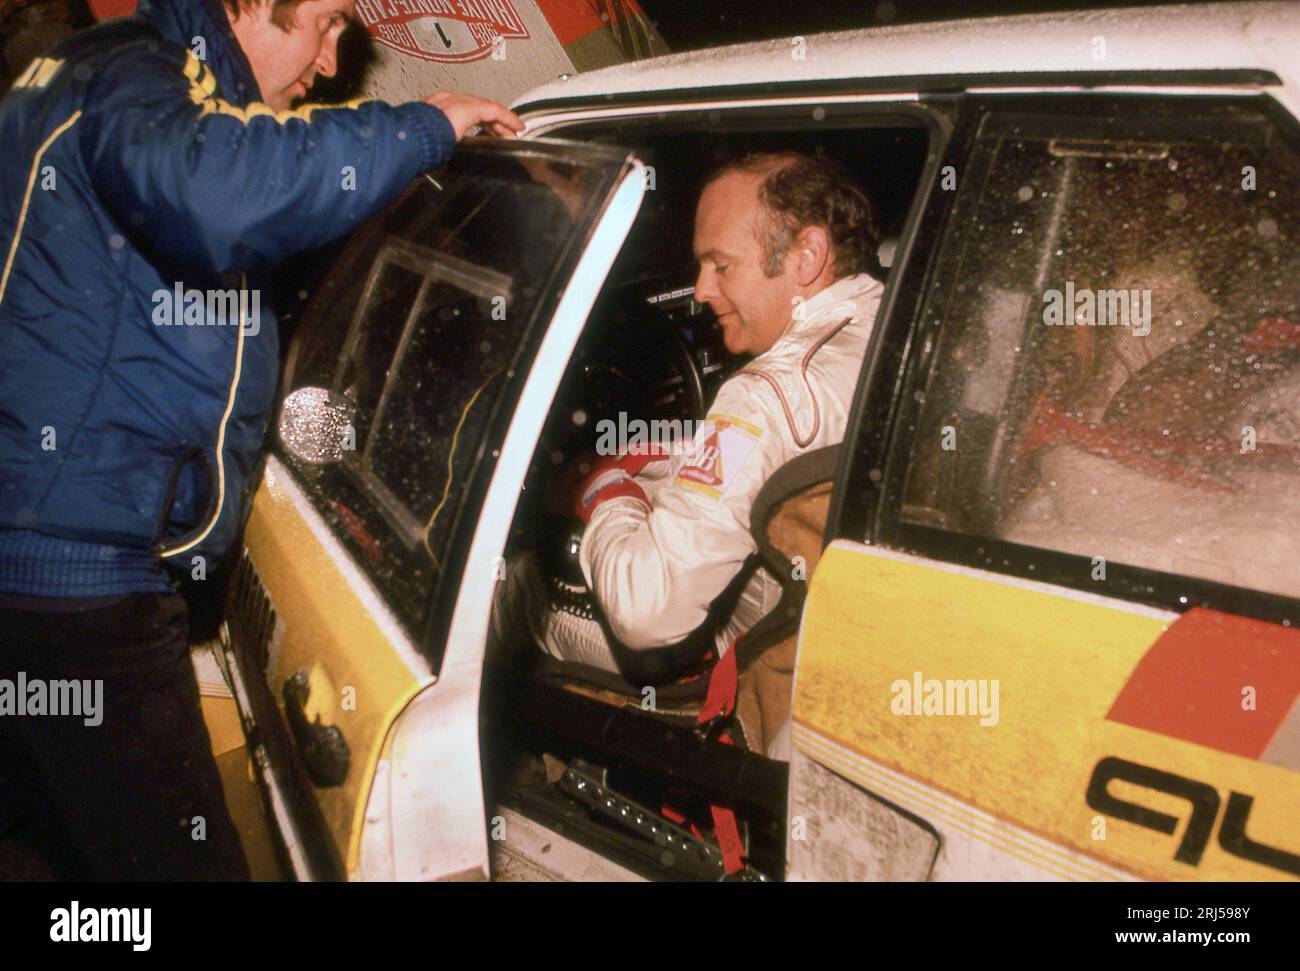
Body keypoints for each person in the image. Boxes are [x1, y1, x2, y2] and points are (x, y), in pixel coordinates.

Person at [0, 0, 520, 880]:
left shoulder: (116, 75)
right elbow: (219, 192)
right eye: (323, 24)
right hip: (78, 580)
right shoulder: (134, 74)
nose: (328, 61)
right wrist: (424, 127)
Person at [498, 152, 884, 692]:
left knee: (517, 590)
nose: (701, 290)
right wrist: (664, 452)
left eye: (721, 265)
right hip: (843, 630)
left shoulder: (761, 395)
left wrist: (600, 489)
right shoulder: (891, 326)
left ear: (807, 255)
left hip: (744, 658)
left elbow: (646, 611)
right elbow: (765, 455)